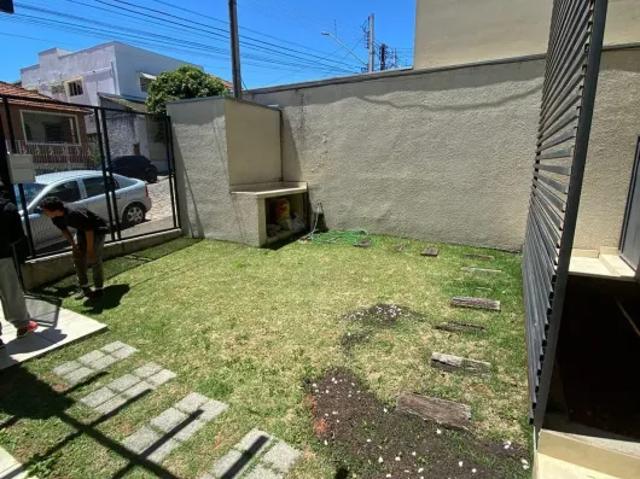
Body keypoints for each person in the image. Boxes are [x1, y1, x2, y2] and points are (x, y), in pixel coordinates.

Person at [39, 197, 109, 299]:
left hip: (97, 230)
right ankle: (85, 288)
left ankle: (99, 289)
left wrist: (90, 250)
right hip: (82, 230)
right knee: (77, 257)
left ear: (54, 210)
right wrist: (74, 245)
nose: (44, 213)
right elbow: (64, 230)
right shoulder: (55, 217)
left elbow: (89, 230)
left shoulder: (74, 213)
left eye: (45, 211)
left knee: (94, 258)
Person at [0, 189, 38, 350]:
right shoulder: (8, 208)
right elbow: (17, 236)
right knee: (11, 292)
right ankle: (22, 325)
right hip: (2, 256)